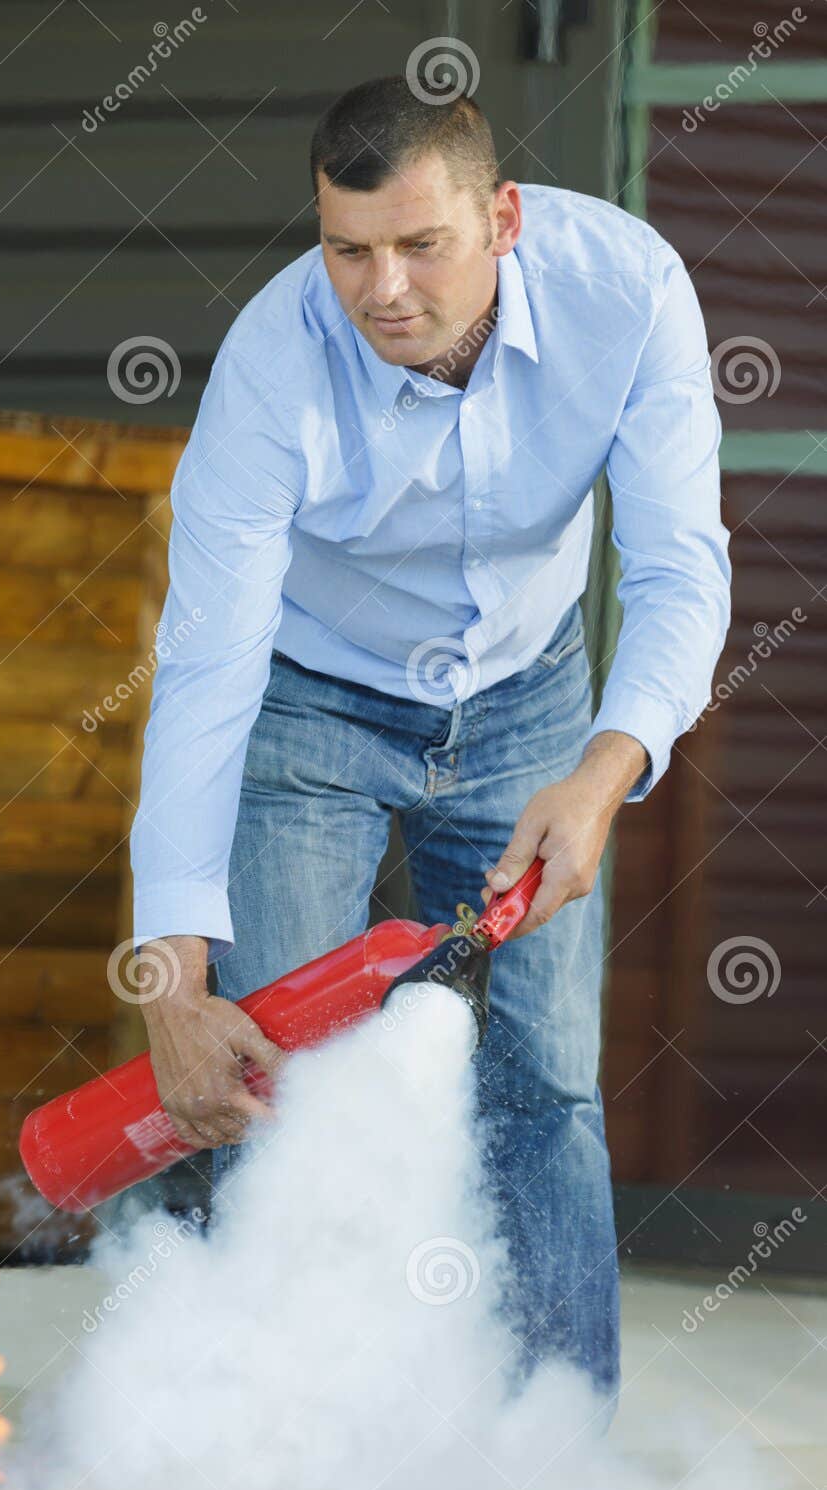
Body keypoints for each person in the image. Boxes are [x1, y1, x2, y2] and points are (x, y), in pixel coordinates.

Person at [128, 75, 731, 1399]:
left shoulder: (628, 290)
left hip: (529, 696)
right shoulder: (272, 362)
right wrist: (172, 975)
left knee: (543, 1078)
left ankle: (555, 1436)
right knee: (277, 1082)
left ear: (502, 218)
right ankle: (273, 1426)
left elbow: (685, 572)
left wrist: (602, 774)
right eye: (348, 249)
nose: (382, 289)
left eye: (420, 245)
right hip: (307, 697)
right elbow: (206, 668)